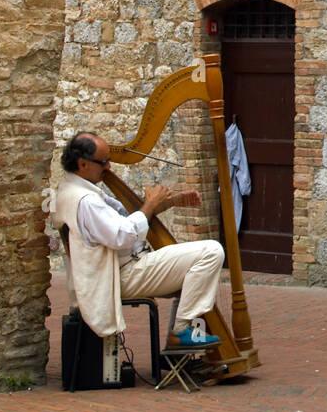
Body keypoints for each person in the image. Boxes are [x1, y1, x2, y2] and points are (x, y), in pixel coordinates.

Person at [52, 131, 224, 348]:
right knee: (211, 251)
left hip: (121, 269)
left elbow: (123, 218)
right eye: (103, 162)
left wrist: (168, 203)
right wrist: (150, 204)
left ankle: (179, 347)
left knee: (193, 272)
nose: (109, 167)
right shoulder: (86, 201)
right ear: (82, 164)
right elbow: (121, 235)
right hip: (119, 276)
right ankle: (180, 332)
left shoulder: (72, 189)